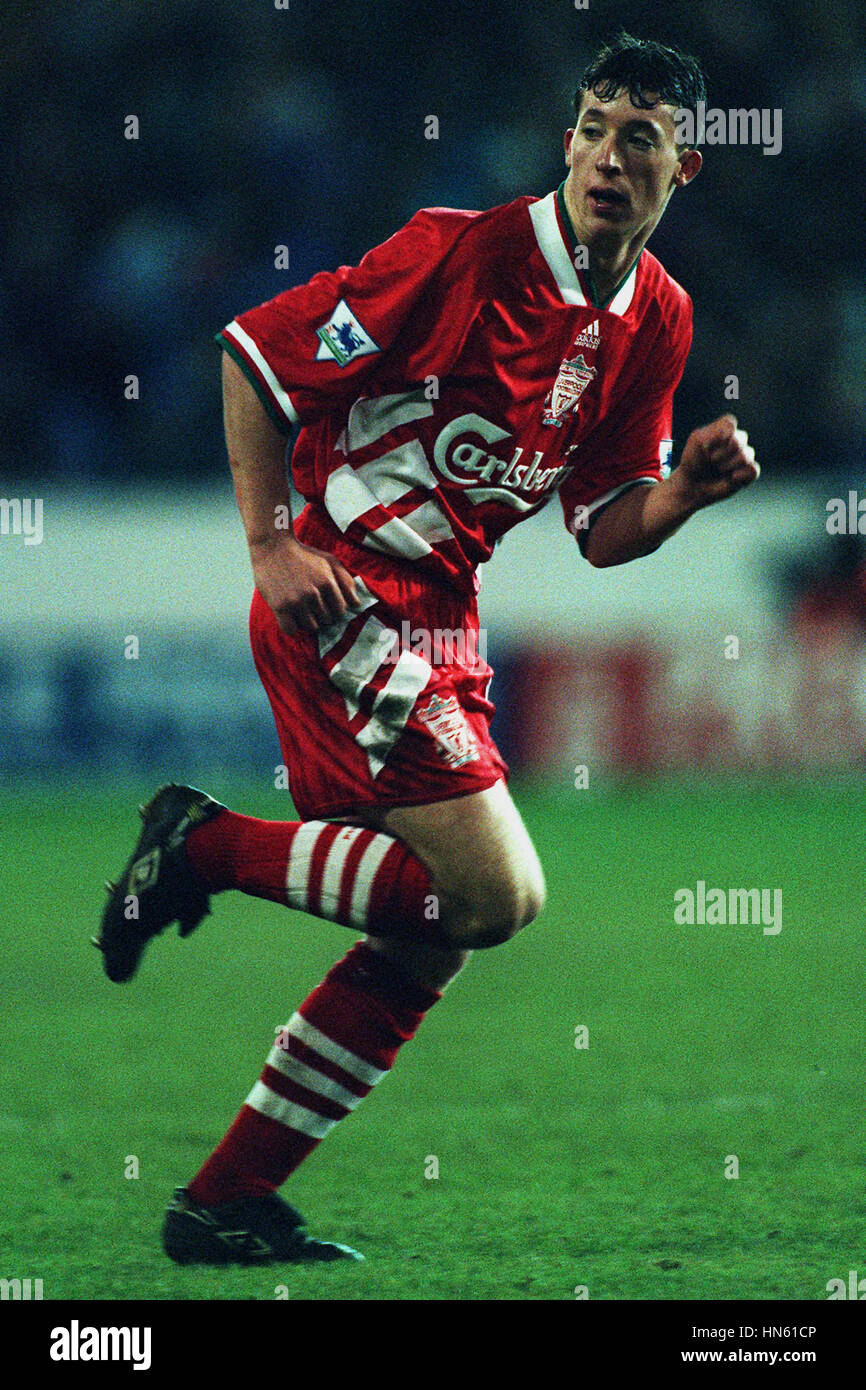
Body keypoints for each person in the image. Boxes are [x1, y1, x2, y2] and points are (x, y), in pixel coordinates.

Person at [94, 31, 759, 1265]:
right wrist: (267, 545)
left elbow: (603, 525)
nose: (608, 156)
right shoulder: (461, 252)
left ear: (686, 169)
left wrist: (681, 497)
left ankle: (222, 1201)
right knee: (496, 896)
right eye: (594, 125)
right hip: (342, 594)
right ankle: (207, 846)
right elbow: (254, 352)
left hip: (443, 619)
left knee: (427, 933)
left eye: (640, 137)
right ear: (566, 136)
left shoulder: (654, 320)